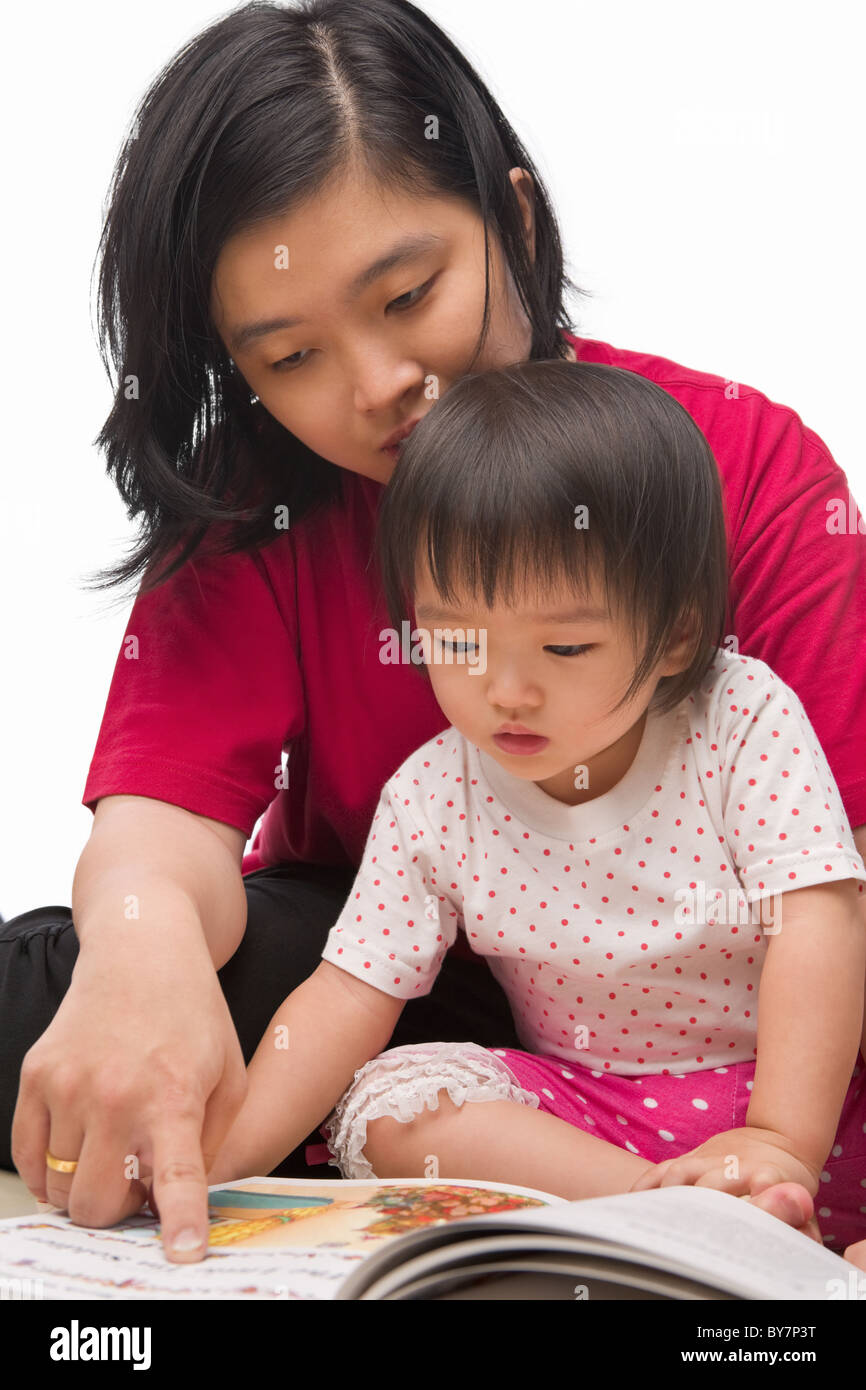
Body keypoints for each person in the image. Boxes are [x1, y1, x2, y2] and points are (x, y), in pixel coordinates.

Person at [2, 0, 865, 1267]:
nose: (371, 388)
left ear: (510, 221)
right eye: (289, 354)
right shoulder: (258, 511)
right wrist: (142, 957)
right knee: (58, 985)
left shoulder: (741, 463)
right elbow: (163, 836)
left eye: (408, 295)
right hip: (425, 991)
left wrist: (790, 1129)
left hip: (750, 1006)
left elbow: (828, 884)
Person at [202, 359, 866, 1259]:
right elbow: (346, 996)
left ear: (674, 631)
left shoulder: (739, 718)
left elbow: (820, 919)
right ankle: (661, 1208)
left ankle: (777, 1215)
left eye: (565, 645)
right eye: (456, 641)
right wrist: (219, 1162)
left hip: (811, 1105)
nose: (505, 692)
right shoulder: (437, 793)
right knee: (395, 1101)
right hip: (590, 1123)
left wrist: (780, 1136)